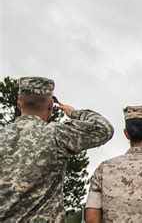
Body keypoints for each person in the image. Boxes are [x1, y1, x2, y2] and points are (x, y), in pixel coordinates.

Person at [0, 76, 114, 222]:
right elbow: (103, 129)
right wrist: (75, 113)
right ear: (50, 105)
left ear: (18, 104)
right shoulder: (55, 134)